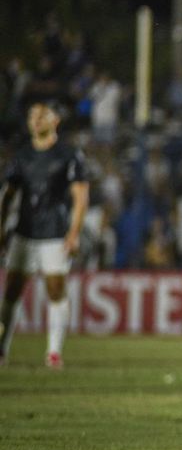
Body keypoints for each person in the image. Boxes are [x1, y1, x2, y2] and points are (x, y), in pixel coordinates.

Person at [0, 98, 89, 368]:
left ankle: (53, 352)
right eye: (32, 115)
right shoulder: (22, 156)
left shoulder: (68, 155)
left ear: (55, 121)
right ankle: (2, 349)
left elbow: (80, 196)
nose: (35, 120)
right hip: (24, 232)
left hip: (54, 232)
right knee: (12, 290)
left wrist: (74, 232)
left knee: (55, 288)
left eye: (42, 115)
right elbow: (8, 195)